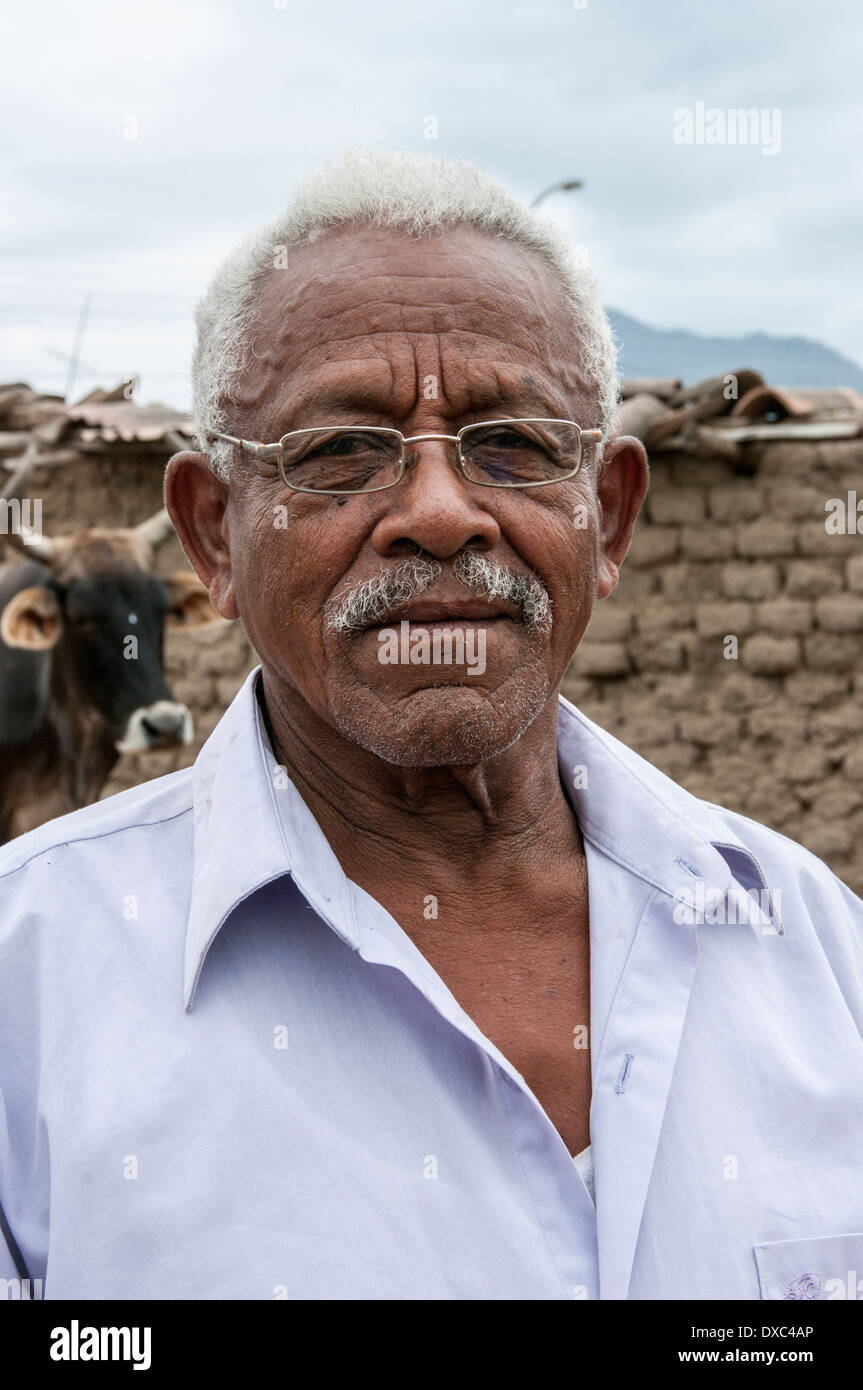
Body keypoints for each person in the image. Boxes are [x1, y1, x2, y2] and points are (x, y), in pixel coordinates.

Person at [1, 150, 861, 1302]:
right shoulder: (31, 990)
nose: (441, 514)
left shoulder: (815, 953)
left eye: (511, 443)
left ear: (604, 518)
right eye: (339, 451)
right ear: (212, 538)